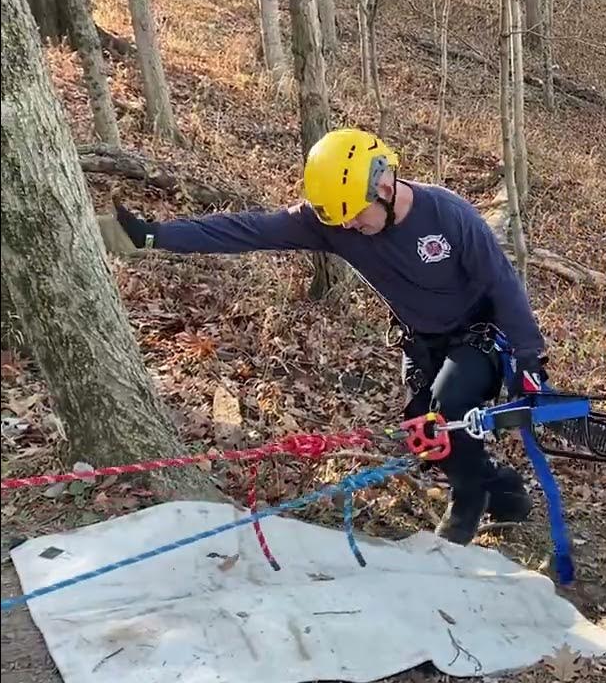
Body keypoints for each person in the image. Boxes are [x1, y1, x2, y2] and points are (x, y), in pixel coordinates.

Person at [98, 128, 549, 547]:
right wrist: (155, 235)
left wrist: (529, 358)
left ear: (385, 188)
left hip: (480, 338)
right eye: (342, 221)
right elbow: (247, 230)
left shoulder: (448, 215)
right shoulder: (333, 221)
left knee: (448, 407)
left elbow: (501, 282)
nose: (350, 228)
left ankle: (467, 504)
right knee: (425, 435)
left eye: (356, 217)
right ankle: (505, 492)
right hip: (422, 342)